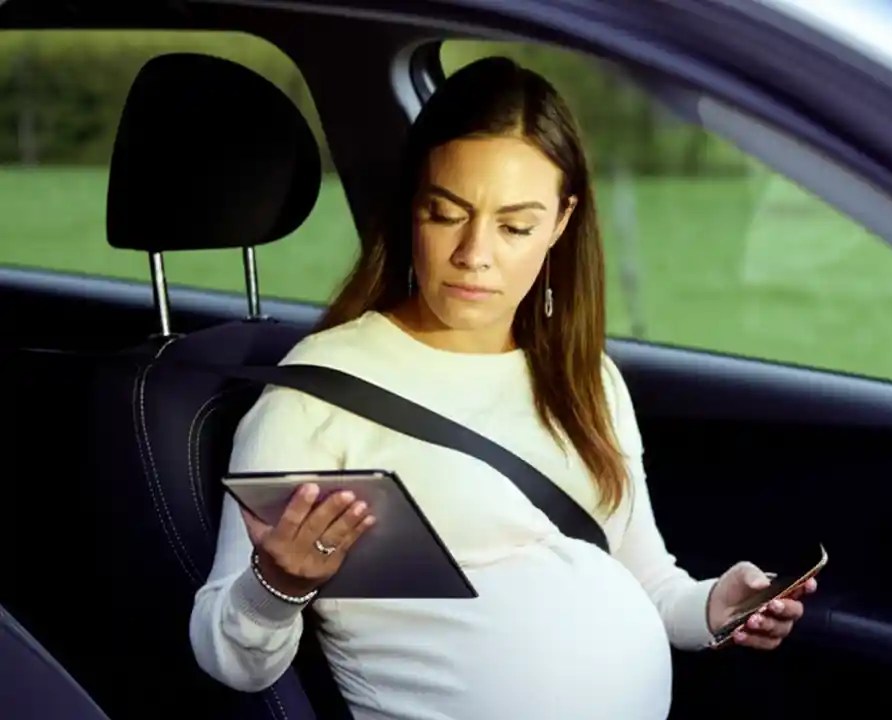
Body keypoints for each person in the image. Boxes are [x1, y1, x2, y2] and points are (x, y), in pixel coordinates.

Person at [188, 56, 817, 720]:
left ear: (561, 222)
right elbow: (228, 660)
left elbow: (651, 583)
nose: (475, 253)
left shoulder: (584, 377)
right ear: (411, 212)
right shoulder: (320, 395)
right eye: (445, 214)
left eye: (515, 226)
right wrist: (278, 585)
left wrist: (716, 604)